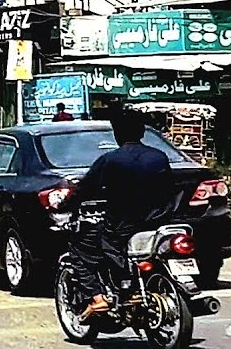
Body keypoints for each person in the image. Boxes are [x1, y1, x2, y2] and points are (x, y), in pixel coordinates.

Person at [69, 112, 173, 319]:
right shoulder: (159, 156)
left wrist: (67, 205)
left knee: (80, 249)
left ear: (116, 134)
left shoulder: (110, 160)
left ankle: (102, 297)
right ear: (142, 132)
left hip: (124, 223)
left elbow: (85, 190)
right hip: (160, 220)